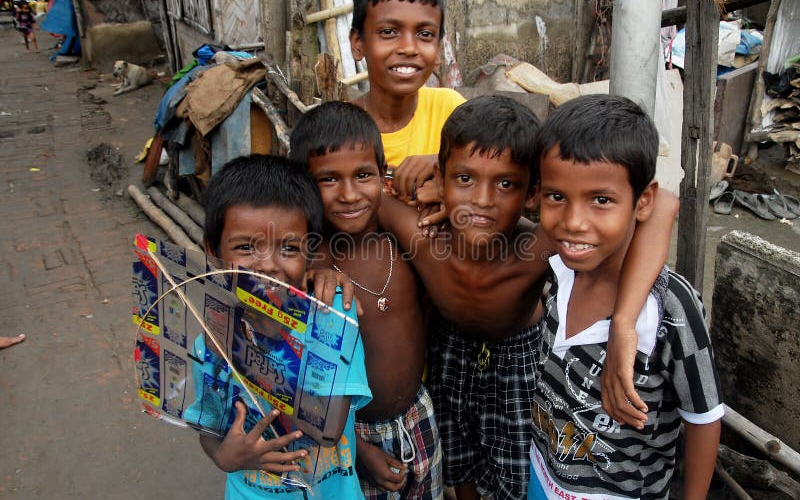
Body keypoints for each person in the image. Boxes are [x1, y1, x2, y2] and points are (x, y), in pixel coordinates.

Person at [378, 95, 678, 500]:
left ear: (533, 193)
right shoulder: (420, 230)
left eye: (506, 183)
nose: (483, 200)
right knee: (457, 456)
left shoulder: (541, 246)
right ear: (442, 177)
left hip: (517, 360)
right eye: (464, 178)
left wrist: (624, 321)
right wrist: (424, 169)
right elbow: (355, 189)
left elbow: (663, 205)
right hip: (448, 347)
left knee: (514, 469)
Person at [528, 94, 722, 499]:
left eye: (601, 200)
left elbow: (703, 418)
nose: (574, 222)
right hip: (543, 474)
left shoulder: (671, 309)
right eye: (557, 197)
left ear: (642, 201)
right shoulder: (558, 270)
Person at [186, 154, 372, 498]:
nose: (268, 266)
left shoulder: (331, 317)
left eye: (288, 247)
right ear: (212, 251)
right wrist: (224, 457)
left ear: (310, 255)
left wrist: (246, 349)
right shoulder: (211, 334)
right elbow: (210, 429)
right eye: (245, 247)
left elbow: (327, 428)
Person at [290, 101, 443, 500]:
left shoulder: (402, 238)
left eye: (363, 175)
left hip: (419, 414)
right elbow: (304, 381)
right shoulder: (308, 268)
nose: (349, 194)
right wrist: (356, 452)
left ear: (382, 176)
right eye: (328, 180)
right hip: (350, 434)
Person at [349, 0, 465, 200]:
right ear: (358, 43)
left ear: (439, 49)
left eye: (425, 35)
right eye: (389, 32)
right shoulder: (342, 129)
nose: (409, 48)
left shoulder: (451, 112)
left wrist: (443, 163)